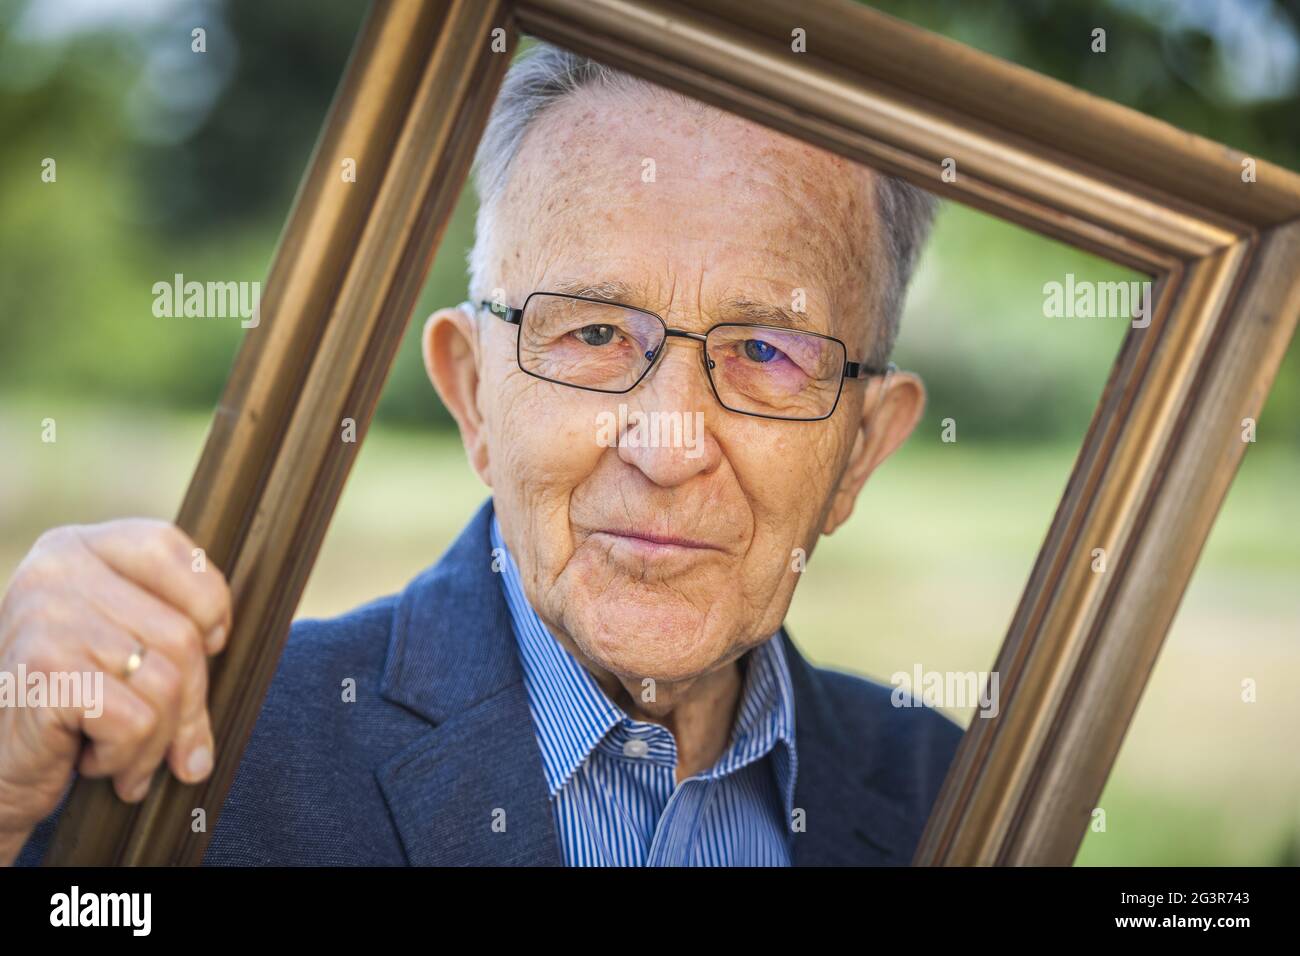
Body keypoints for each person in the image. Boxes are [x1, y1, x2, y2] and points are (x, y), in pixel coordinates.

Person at [4, 44, 959, 867]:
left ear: (861, 450)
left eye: (763, 353)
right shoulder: (200, 755)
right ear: (471, 396)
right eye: (592, 334)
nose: (667, 449)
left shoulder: (954, 800)